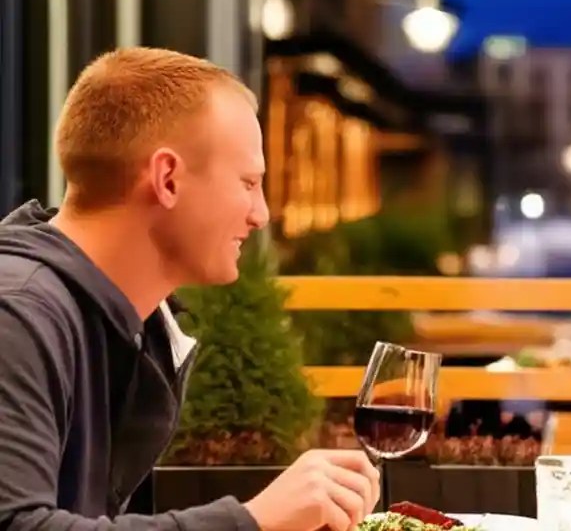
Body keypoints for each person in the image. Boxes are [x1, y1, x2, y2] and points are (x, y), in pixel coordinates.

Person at [0, 48, 380, 531]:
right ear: (168, 179)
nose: (260, 214)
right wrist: (252, 521)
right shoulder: (17, 314)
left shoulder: (118, 320)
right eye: (248, 182)